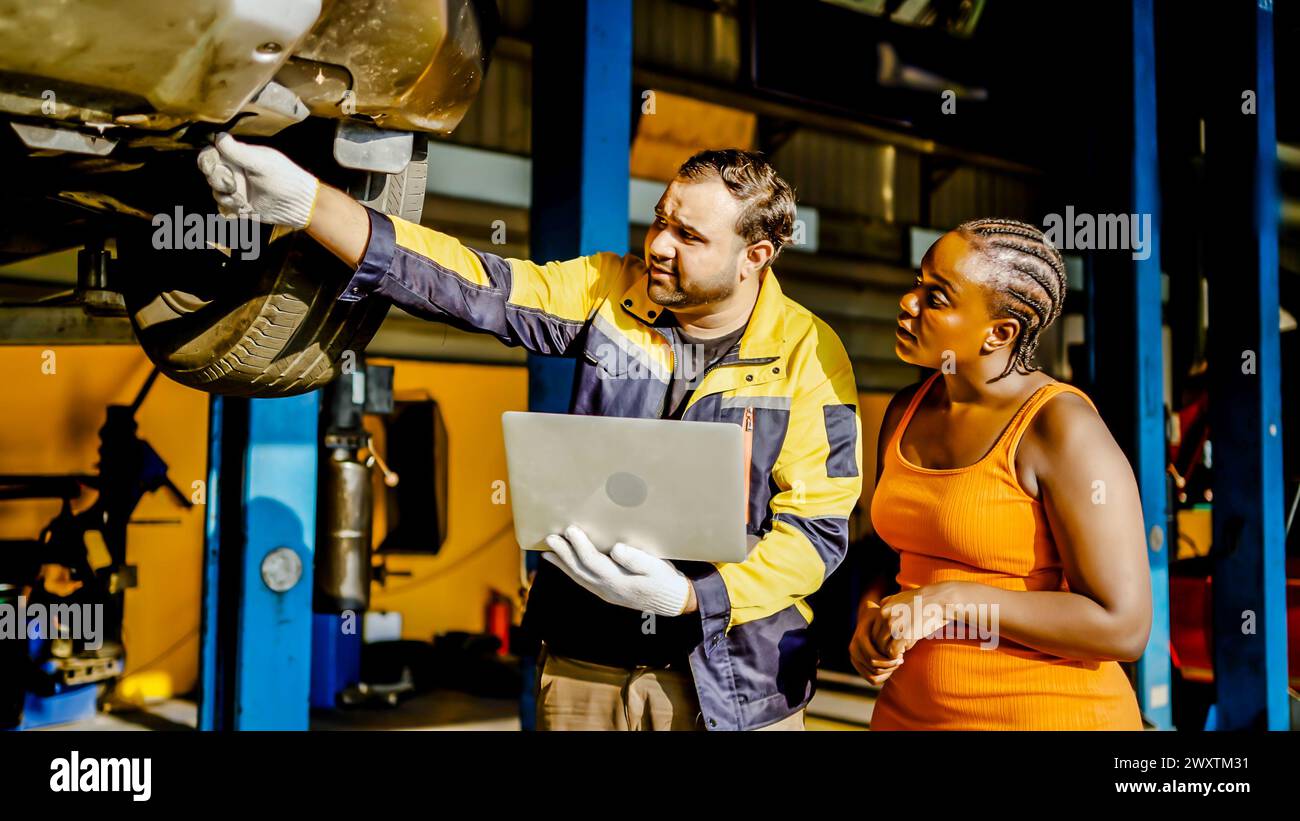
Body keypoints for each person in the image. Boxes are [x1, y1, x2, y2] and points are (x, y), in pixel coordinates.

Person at [196, 136, 863, 731]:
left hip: (734, 684)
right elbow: (470, 283)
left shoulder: (809, 354)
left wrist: (693, 596)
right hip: (582, 667)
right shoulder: (610, 291)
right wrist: (309, 203)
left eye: (688, 236)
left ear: (756, 255)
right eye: (660, 218)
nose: (658, 244)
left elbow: (816, 533)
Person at [850, 219, 1151, 730]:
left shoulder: (1060, 428)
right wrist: (870, 613)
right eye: (919, 282)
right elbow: (901, 549)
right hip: (908, 715)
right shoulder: (906, 411)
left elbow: (1122, 626)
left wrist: (952, 598)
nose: (909, 302)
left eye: (937, 297)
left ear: (1000, 332)